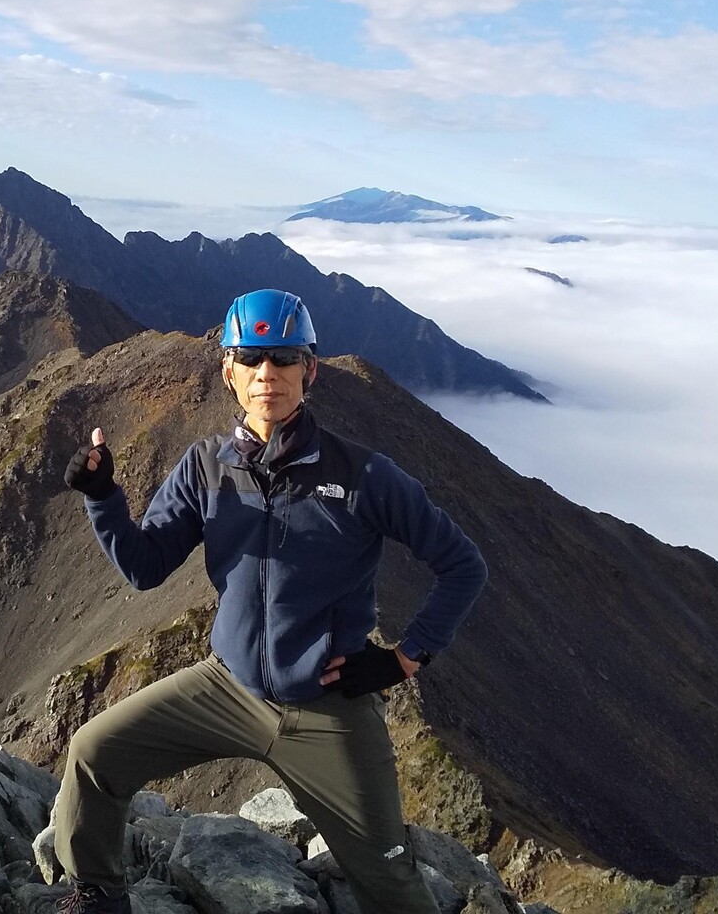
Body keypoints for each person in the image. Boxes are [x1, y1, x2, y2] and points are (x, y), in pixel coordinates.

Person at [56, 289, 489, 914]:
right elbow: (145, 568)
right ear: (228, 370)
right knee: (92, 754)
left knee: (391, 884)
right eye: (252, 358)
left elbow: (462, 565)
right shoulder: (205, 466)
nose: (268, 374)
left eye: (284, 357)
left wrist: (403, 660)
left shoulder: (363, 475)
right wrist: (102, 495)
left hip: (326, 708)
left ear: (309, 371)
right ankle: (97, 896)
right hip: (227, 689)